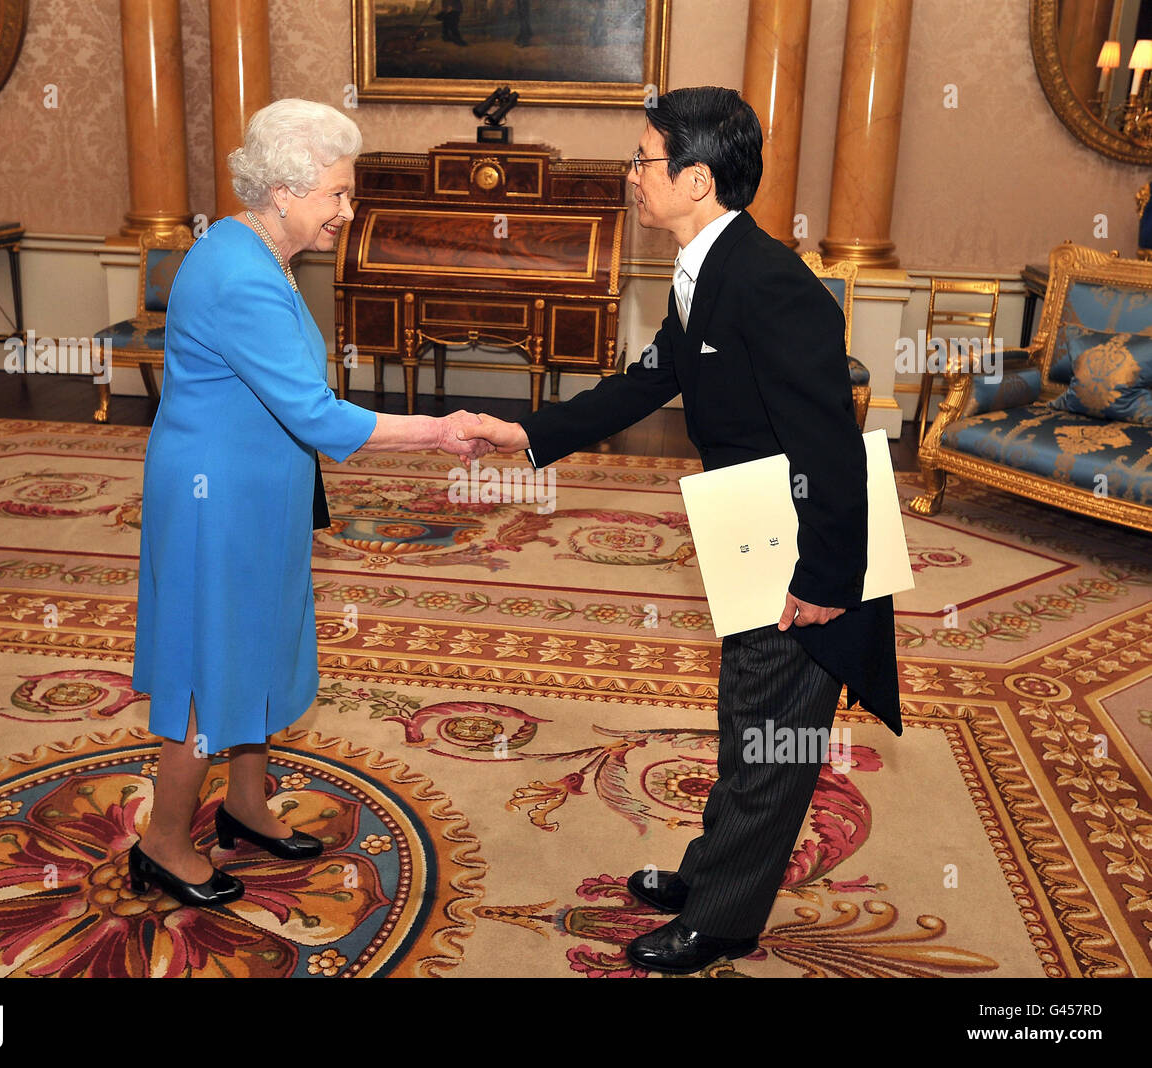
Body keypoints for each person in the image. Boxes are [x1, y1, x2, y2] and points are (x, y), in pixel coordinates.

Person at [467, 86, 901, 974]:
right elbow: (648, 381)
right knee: (747, 716)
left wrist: (824, 582)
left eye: (643, 160)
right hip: (748, 524)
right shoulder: (703, 266)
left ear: (697, 179)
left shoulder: (774, 285)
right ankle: (714, 875)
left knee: (773, 737)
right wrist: (529, 431)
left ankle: (725, 921)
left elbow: (831, 447)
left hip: (800, 542)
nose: (631, 175)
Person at [130, 99, 493, 909]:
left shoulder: (254, 247)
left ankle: (247, 806)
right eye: (337, 193)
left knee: (258, 640)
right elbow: (318, 415)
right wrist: (439, 431)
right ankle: (162, 841)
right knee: (206, 663)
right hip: (214, 502)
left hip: (259, 489)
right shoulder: (237, 274)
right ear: (286, 191)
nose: (347, 210)